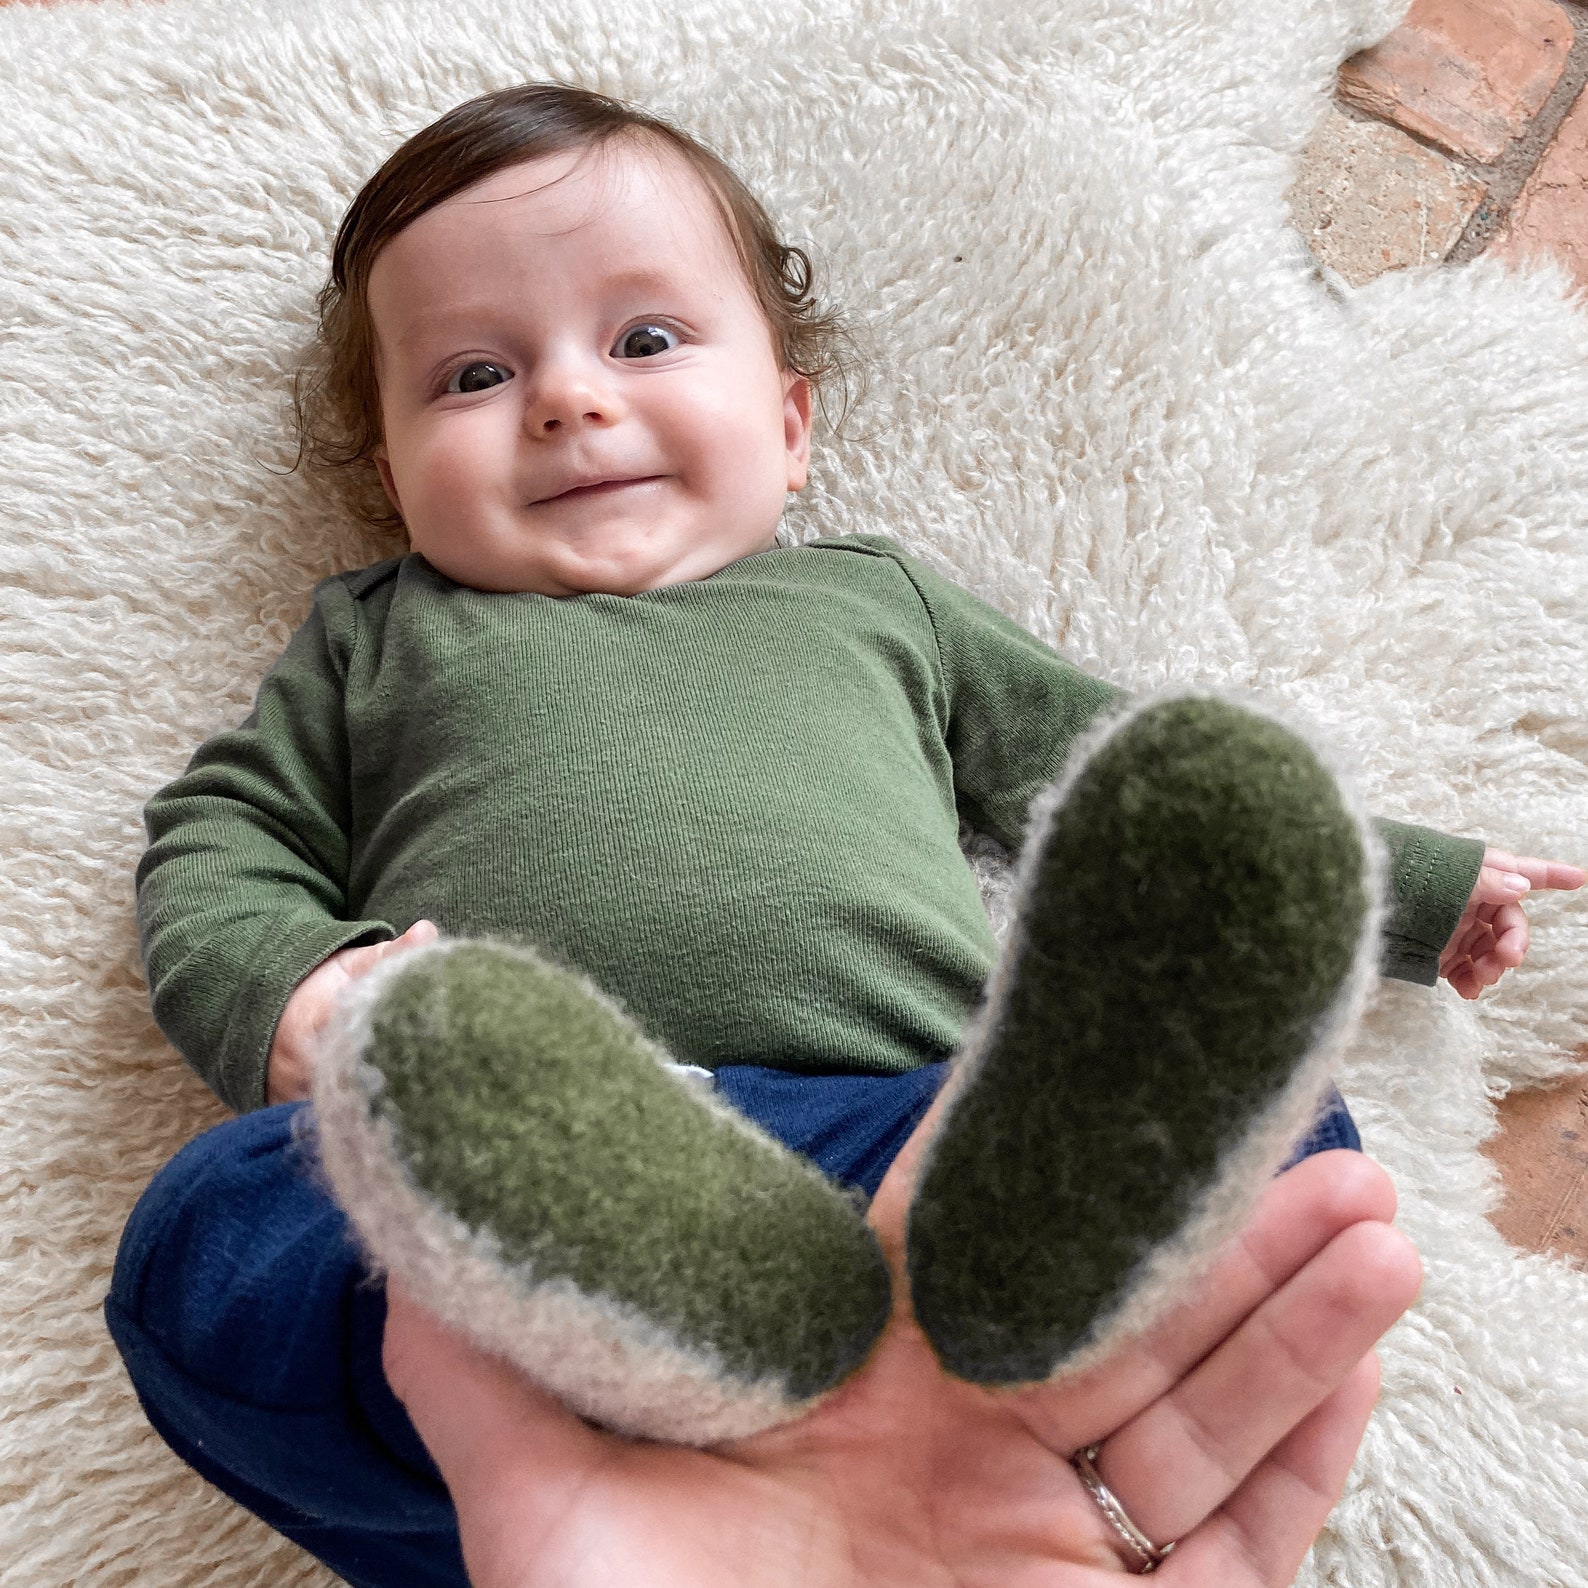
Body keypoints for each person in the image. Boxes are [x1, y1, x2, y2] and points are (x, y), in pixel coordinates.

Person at [107, 83, 1584, 1585]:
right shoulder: (377, 638)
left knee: (1271, 1138)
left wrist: (1398, 884)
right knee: (221, 1238)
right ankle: (680, 1315)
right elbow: (219, 835)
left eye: (646, 341)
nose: (566, 398)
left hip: (909, 1154)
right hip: (517, 1180)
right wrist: (296, 989)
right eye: (475, 374)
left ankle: (968, 1291)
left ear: (792, 423)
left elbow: (1117, 775)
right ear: (392, 480)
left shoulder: (877, 604)